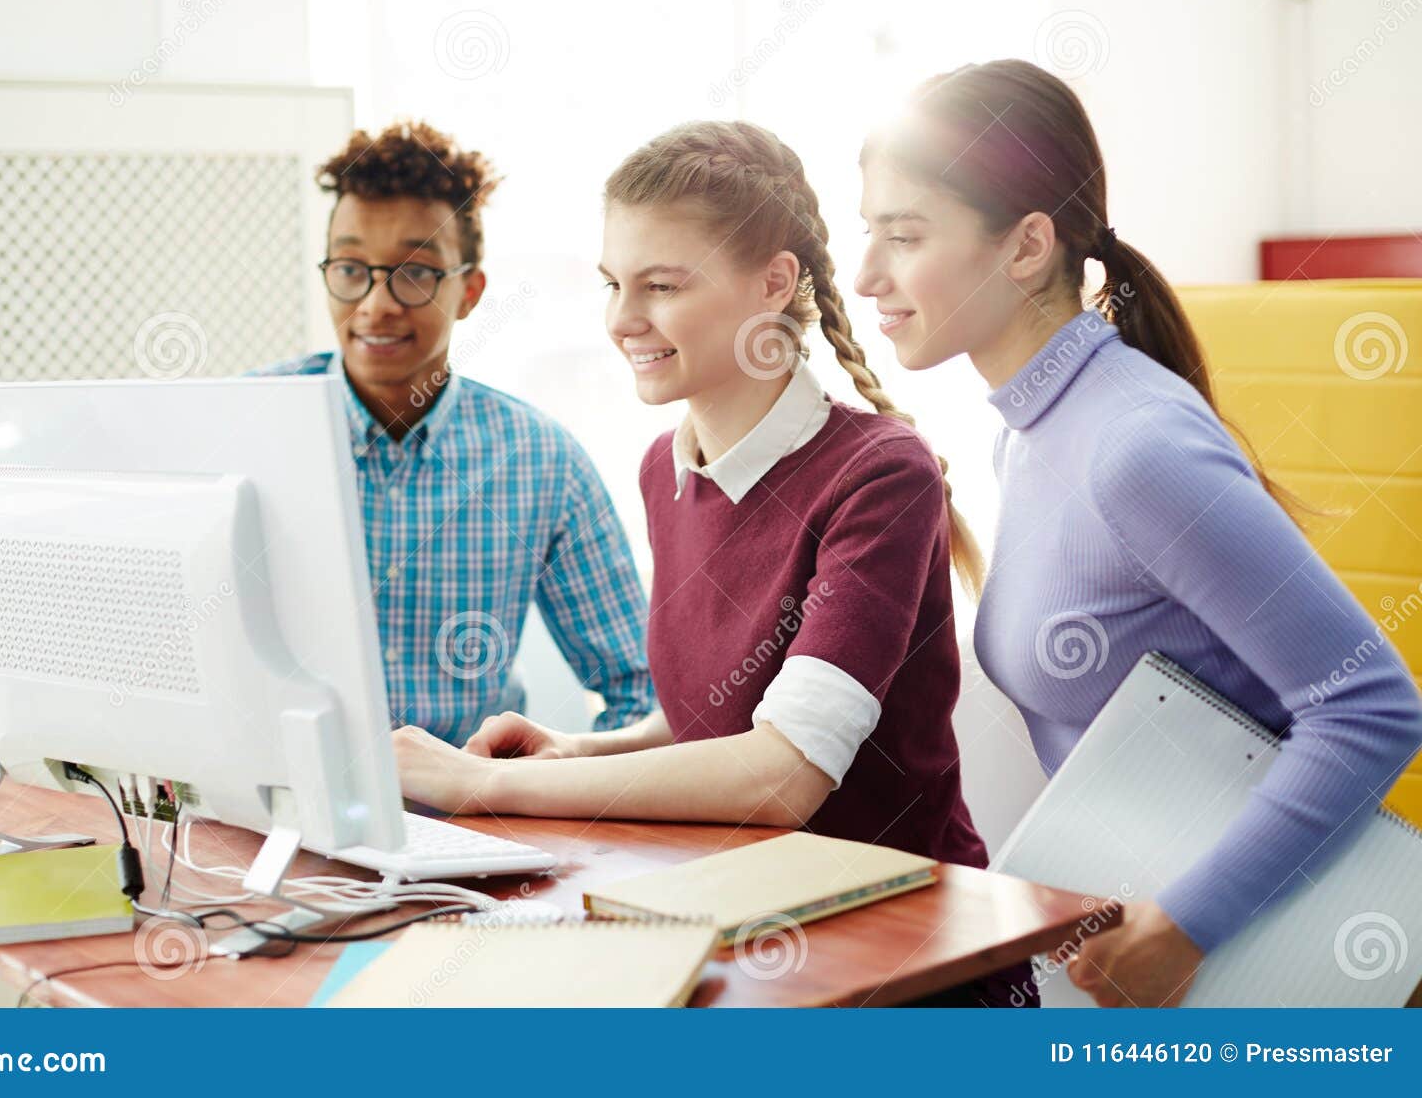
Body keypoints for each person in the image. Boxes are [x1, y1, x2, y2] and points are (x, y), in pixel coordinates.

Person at [394, 119, 1021, 1005]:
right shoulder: (667, 466)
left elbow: (782, 772)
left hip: (909, 966)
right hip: (755, 934)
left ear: (774, 283)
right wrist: (577, 751)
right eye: (615, 283)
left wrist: (485, 783)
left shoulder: (879, 475)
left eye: (661, 285)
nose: (622, 319)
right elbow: (719, 709)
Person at [855, 58, 1422, 1006]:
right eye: (868, 233)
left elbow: (1371, 707)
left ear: (1028, 245)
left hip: (1287, 967)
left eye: (903, 235)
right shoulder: (1028, 432)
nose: (867, 272)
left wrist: (1185, 923)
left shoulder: (1134, 445)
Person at [255, 119, 652, 744]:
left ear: (469, 291)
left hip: (471, 818)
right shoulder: (250, 425)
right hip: (274, 813)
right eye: (351, 268)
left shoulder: (538, 460)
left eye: (413, 273)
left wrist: (559, 796)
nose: (376, 304)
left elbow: (643, 692)